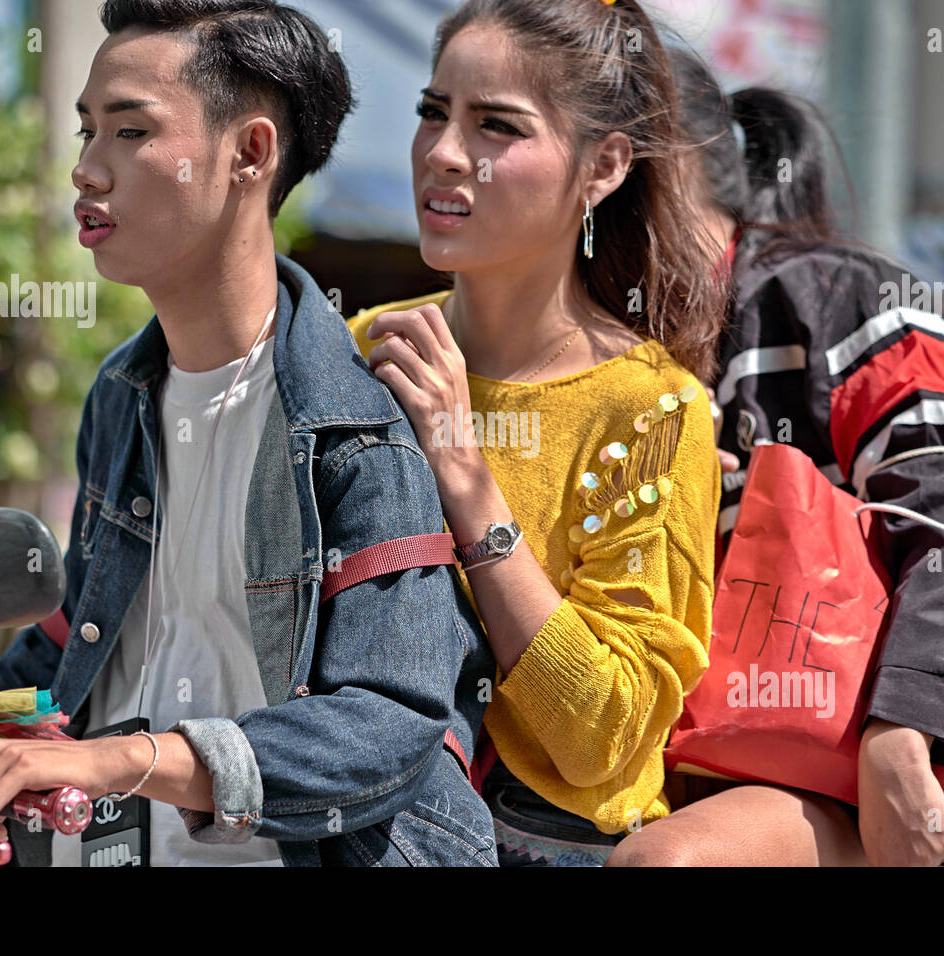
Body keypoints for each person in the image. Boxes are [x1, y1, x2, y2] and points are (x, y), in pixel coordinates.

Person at [0, 0, 497, 868]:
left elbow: (390, 720)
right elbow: (87, 634)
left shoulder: (363, 426)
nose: (87, 170)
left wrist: (123, 757)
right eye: (86, 134)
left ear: (251, 154)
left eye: (129, 133)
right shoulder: (120, 395)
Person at [607, 49, 944, 866]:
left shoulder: (837, 295)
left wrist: (903, 733)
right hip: (674, 777)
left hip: (854, 778)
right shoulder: (587, 337)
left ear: (660, 167)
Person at [347, 0, 724, 866]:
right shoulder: (361, 348)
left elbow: (603, 738)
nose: (444, 153)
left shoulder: (651, 409)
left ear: (604, 167)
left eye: (497, 127)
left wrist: (462, 468)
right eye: (433, 111)